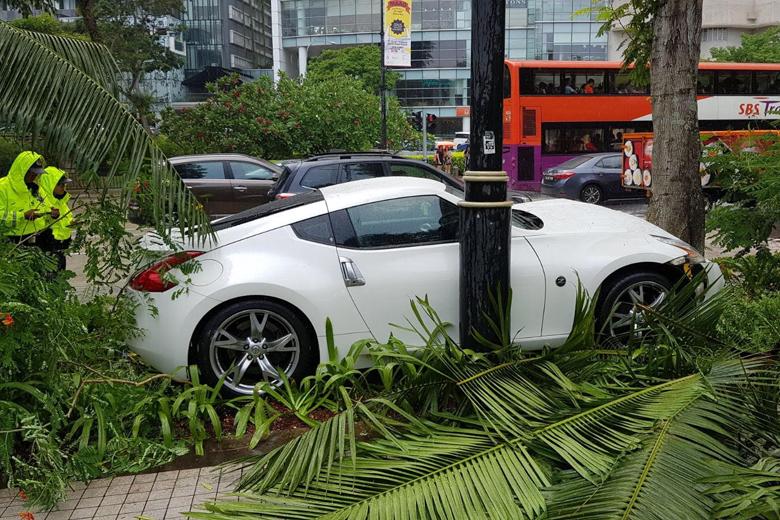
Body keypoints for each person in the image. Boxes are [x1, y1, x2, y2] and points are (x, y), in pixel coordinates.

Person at [0, 151, 49, 244]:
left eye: (37, 173)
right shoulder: (2, 187)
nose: (35, 175)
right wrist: (22, 216)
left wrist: (52, 212)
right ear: (22, 170)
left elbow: (46, 206)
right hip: (12, 241)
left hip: (38, 237)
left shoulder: (36, 188)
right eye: (32, 172)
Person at [37, 166, 73, 271]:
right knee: (50, 276)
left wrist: (73, 222)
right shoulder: (40, 201)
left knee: (60, 275)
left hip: (61, 246)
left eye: (64, 185)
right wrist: (49, 214)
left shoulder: (61, 202)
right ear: (50, 184)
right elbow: (37, 221)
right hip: (48, 246)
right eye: (60, 185)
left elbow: (67, 218)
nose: (63, 187)